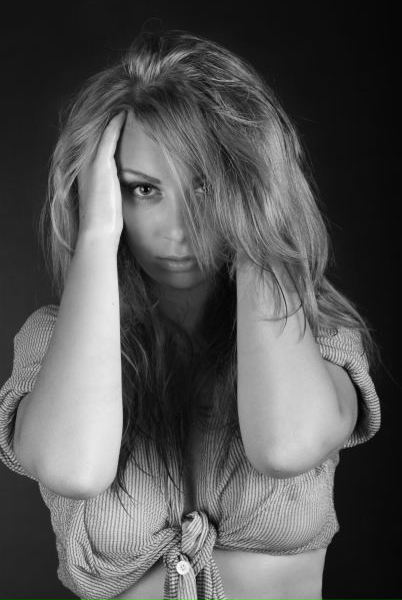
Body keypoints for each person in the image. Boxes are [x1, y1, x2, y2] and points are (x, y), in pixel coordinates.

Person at [0, 29, 380, 600]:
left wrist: (254, 219)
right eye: (143, 190)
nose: (179, 231)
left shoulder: (318, 334)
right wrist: (97, 233)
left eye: (205, 187)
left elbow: (284, 446)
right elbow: (74, 468)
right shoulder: (51, 342)